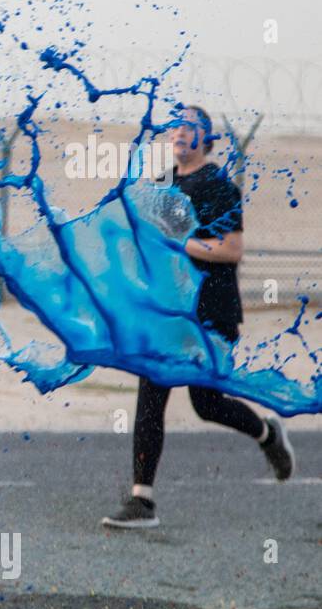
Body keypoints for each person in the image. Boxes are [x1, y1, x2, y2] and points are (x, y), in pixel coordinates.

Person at [104, 105, 293, 528]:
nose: (177, 132)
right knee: (152, 394)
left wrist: (181, 244)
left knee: (206, 403)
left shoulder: (219, 185)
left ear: (205, 137)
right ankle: (142, 501)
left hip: (210, 308)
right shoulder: (162, 184)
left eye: (188, 126)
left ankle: (266, 433)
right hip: (169, 311)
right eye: (174, 125)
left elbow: (231, 249)